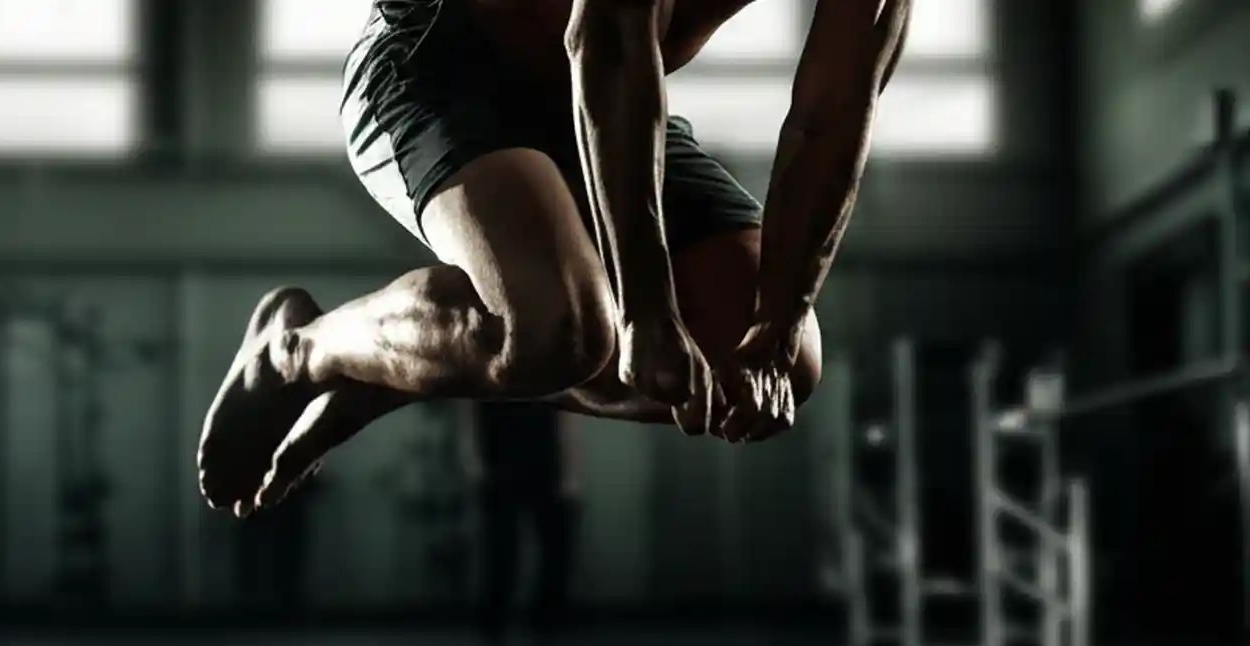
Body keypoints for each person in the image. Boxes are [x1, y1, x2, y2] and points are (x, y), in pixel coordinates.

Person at [196, 0, 911, 517]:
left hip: (603, 98)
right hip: (442, 57)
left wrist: (779, 326)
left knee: (780, 359)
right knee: (559, 332)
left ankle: (406, 370)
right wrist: (647, 307)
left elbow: (832, 118)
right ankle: (295, 350)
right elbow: (604, 36)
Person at [471, 402, 576, 646]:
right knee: (500, 553)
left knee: (554, 553)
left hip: (543, 461)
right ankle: (493, 636)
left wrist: (571, 472)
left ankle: (545, 634)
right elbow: (470, 414)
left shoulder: (550, 370)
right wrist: (474, 461)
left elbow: (565, 419)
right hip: (500, 463)